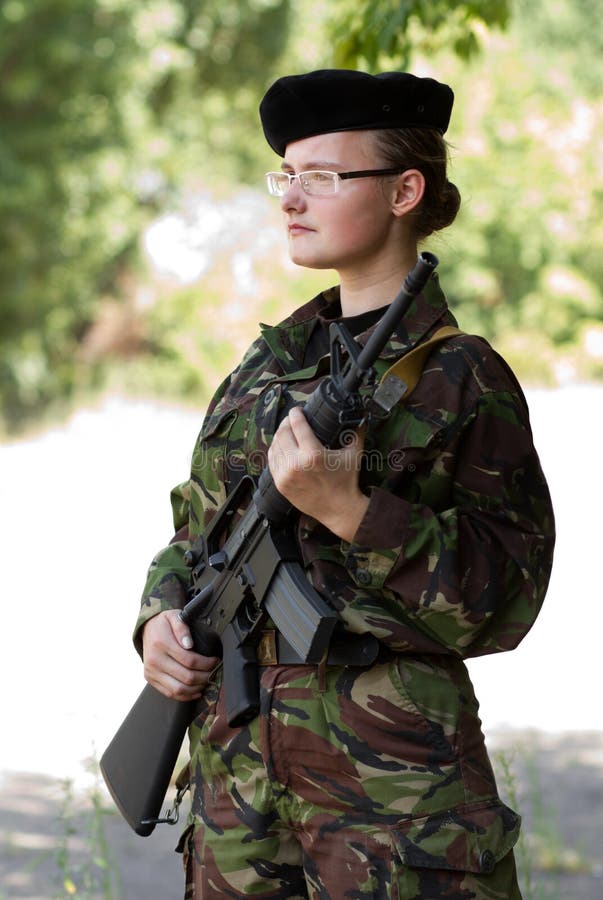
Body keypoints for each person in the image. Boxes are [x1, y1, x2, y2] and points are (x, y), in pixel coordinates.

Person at [134, 69, 555, 899]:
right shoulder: (264, 367)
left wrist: (351, 511)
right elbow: (193, 534)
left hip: (394, 805)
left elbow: (505, 597)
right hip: (239, 799)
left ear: (405, 190)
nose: (291, 198)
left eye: (322, 177)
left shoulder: (459, 374)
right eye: (285, 176)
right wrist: (157, 621)